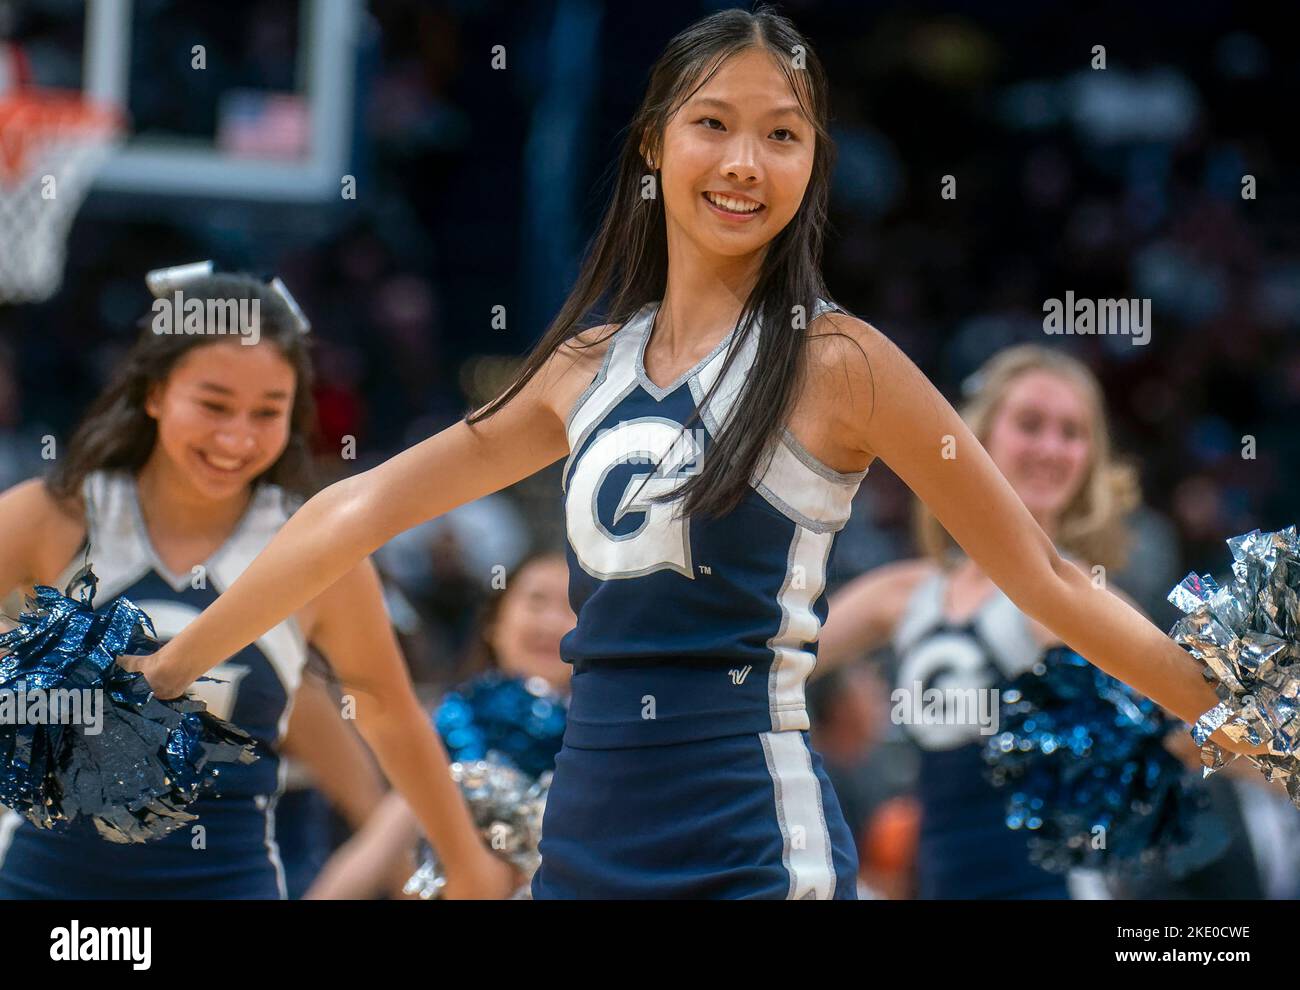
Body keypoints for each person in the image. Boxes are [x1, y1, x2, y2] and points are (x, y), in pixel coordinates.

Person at [121, 7, 1258, 900]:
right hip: (587, 834)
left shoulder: (840, 363)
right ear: (657, 141)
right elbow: (351, 512)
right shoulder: (581, 367)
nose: (745, 162)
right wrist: (164, 673)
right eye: (714, 122)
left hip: (749, 841)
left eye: (783, 134)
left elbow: (1048, 576)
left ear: (813, 164)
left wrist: (1245, 705)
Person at [0, 266, 509, 899]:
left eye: (268, 411)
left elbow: (388, 712)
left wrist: (468, 865)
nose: (237, 437)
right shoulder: (51, 517)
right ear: (154, 392)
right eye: (213, 405)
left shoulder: (316, 551)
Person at [818, 344, 1141, 898]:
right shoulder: (907, 593)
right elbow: (769, 657)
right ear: (980, 438)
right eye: (1030, 424)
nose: (1050, 447)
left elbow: (1189, 715)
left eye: (1072, 432)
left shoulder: (1086, 600)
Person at [307, 550, 572, 899]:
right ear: (495, 623)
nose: (551, 623)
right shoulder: (456, 718)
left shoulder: (615, 733)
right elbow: (382, 840)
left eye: (572, 607)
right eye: (536, 602)